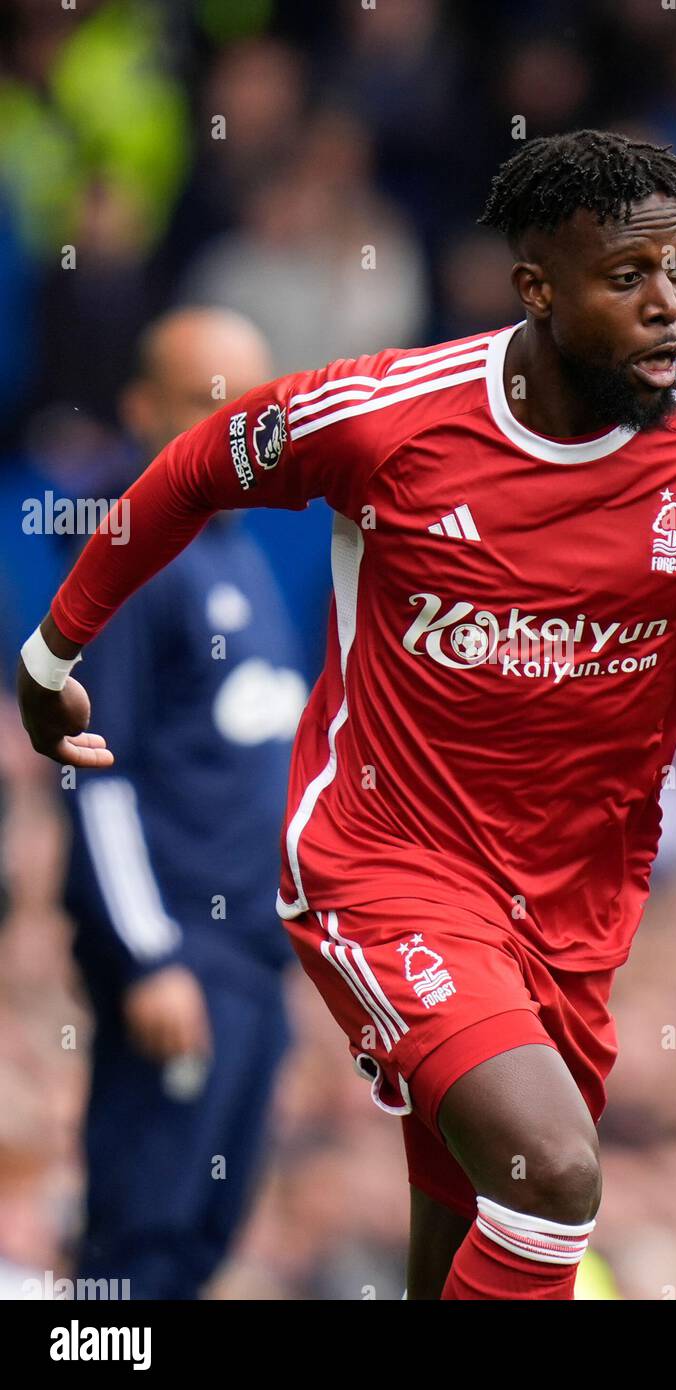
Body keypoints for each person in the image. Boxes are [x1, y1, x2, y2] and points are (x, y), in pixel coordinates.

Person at [17, 130, 676, 1302]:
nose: (666, 305)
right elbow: (198, 463)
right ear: (536, 290)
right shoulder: (388, 417)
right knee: (556, 1177)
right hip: (384, 859)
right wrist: (54, 646)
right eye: (626, 278)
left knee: (469, 1235)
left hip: (573, 910)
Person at [58, 308, 307, 1298]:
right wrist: (148, 955)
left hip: (252, 958)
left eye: (251, 402)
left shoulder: (238, 552)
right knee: (139, 1243)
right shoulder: (131, 554)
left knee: (204, 1233)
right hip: (181, 959)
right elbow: (92, 771)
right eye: (206, 402)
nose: (234, 425)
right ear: (142, 409)